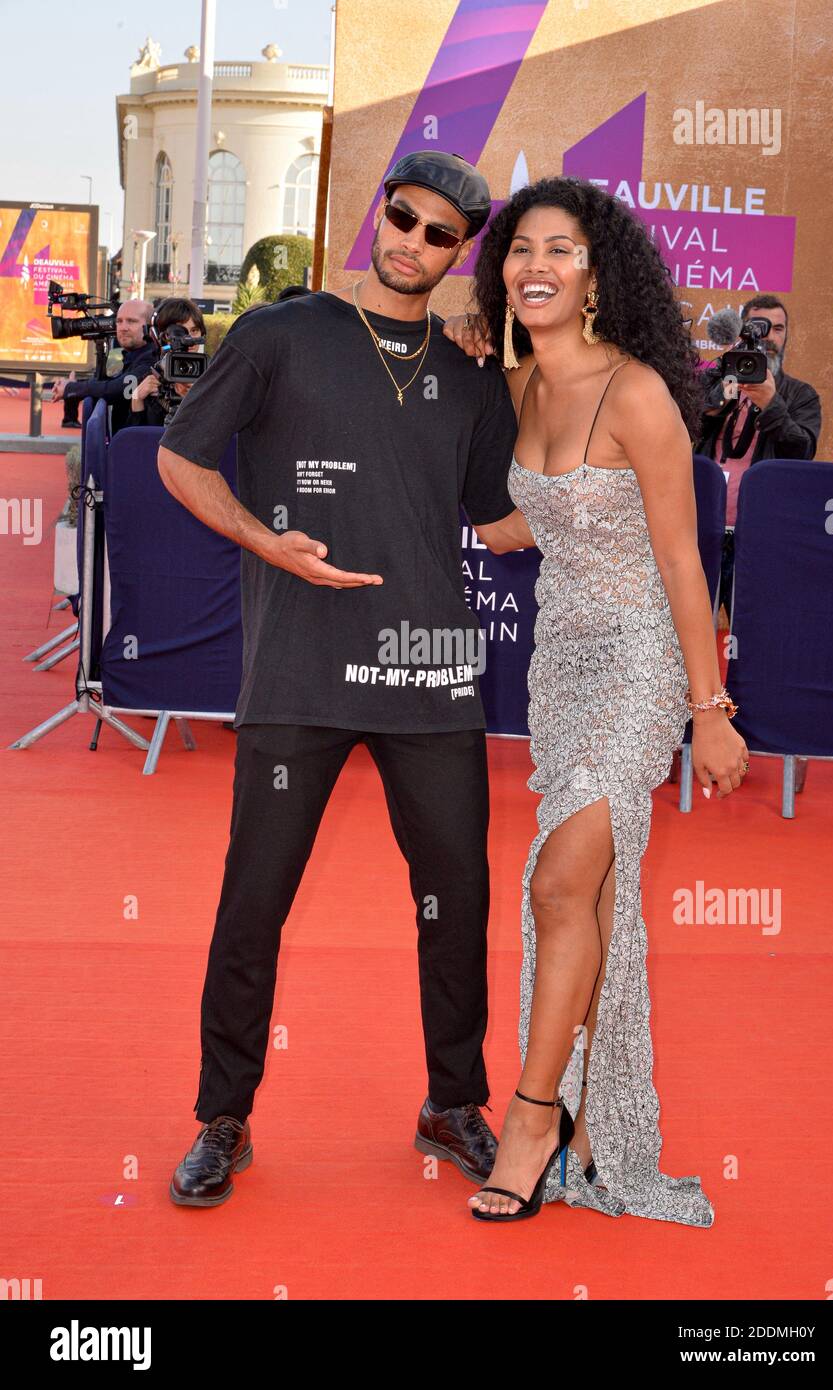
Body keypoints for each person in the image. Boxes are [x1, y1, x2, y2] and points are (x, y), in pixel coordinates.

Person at [156, 151, 536, 1207]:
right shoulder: (281, 335)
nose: (413, 242)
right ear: (380, 213)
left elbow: (497, 522)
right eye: (403, 219)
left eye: (439, 235)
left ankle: (452, 1101)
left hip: (431, 675)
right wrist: (265, 542)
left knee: (454, 898)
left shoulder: (468, 376)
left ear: (461, 253)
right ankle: (221, 1118)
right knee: (253, 902)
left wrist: (603, 484)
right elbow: (180, 460)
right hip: (299, 670)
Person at [445, 175, 748, 1224]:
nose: (535, 265)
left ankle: (532, 1117)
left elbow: (678, 554)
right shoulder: (520, 388)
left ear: (594, 276)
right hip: (556, 665)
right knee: (594, 898)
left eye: (559, 250)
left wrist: (709, 708)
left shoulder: (635, 392)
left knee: (554, 884)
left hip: (639, 665)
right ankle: (592, 1128)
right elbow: (523, 527)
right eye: (520, 249)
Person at [696, 295, 821, 622]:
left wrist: (770, 402)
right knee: (684, 639)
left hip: (759, 539)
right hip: (699, 534)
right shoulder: (716, 382)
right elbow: (682, 428)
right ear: (740, 332)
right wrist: (725, 385)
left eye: (777, 329)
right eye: (758, 328)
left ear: (786, 336)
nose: (769, 337)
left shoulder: (800, 395)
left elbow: (802, 452)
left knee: (752, 637)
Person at [51, 298, 157, 433]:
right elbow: (113, 382)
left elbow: (118, 389)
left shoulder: (152, 357)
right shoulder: (134, 355)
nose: (123, 328)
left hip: (140, 447)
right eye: (119, 321)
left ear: (150, 325)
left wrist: (71, 387)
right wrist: (74, 385)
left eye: (131, 321)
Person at [129, 298, 207, 426]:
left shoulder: (213, 377)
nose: (188, 339)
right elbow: (134, 441)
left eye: (194, 331)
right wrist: (137, 399)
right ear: (162, 336)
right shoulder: (148, 378)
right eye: (179, 332)